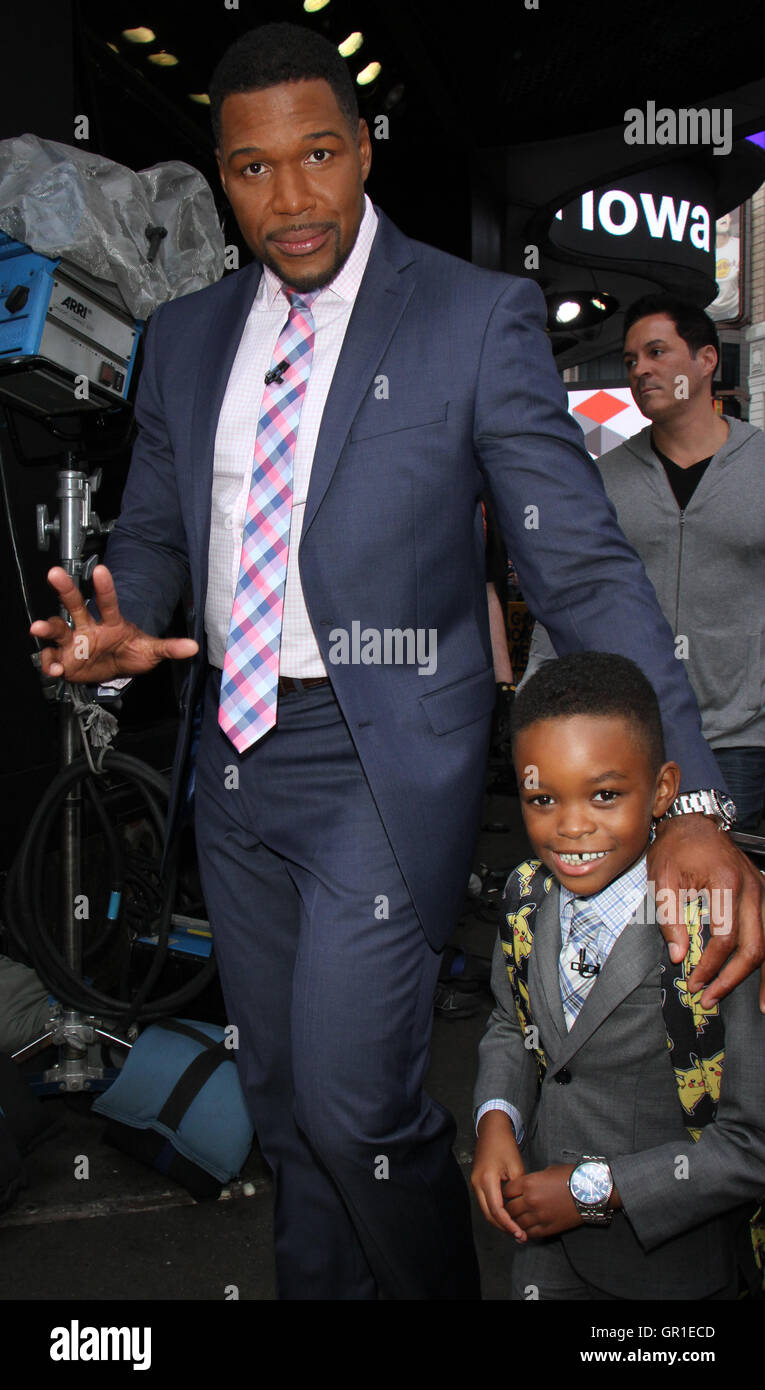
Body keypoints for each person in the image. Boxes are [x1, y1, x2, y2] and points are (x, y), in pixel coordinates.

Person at [29, 24, 765, 1300]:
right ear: (219, 175)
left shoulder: (474, 317)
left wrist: (693, 796)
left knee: (359, 1102)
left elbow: (584, 569)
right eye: (254, 169)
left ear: (364, 149)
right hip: (238, 768)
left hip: (382, 766)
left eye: (320, 154)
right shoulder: (188, 337)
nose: (293, 197)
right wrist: (122, 621)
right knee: (282, 1103)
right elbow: (153, 528)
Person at [471, 652, 765, 1300]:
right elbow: (508, 1023)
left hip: (667, 1272)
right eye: (541, 798)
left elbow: (751, 1143)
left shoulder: (713, 924)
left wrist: (588, 1190)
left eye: (604, 794)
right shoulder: (524, 893)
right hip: (541, 1257)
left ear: (663, 790)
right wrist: (497, 1118)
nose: (571, 826)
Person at [523, 293, 765, 831]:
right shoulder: (602, 478)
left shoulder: (760, 466)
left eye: (657, 352)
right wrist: (533, 698)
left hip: (739, 738)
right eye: (632, 360)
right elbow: (567, 596)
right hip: (625, 730)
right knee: (633, 906)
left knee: (717, 901)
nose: (640, 371)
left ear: (706, 360)